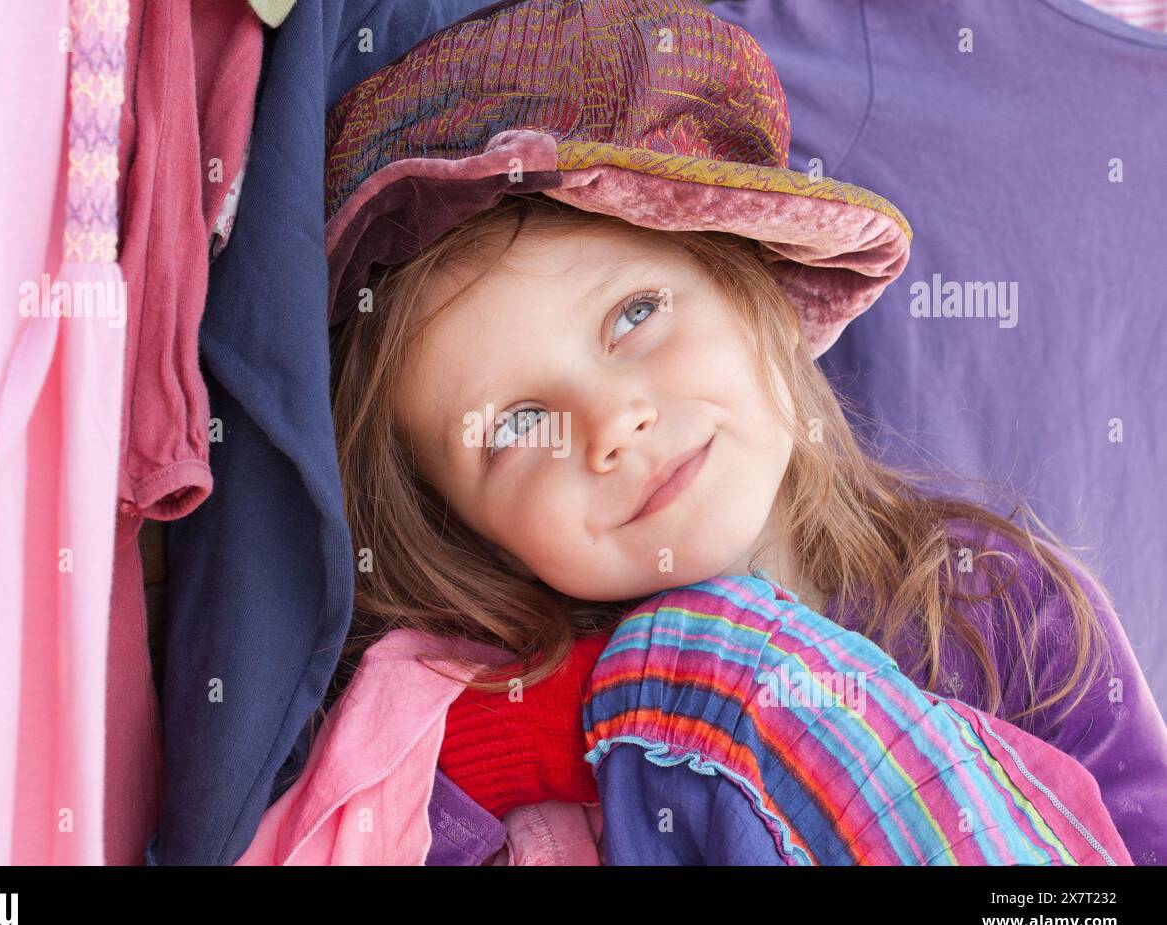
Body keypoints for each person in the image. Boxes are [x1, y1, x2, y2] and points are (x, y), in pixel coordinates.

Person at [318, 0, 1167, 863]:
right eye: (518, 425)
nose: (613, 423)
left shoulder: (1000, 604)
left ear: (753, 296)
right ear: (467, 533)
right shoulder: (469, 728)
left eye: (635, 314)